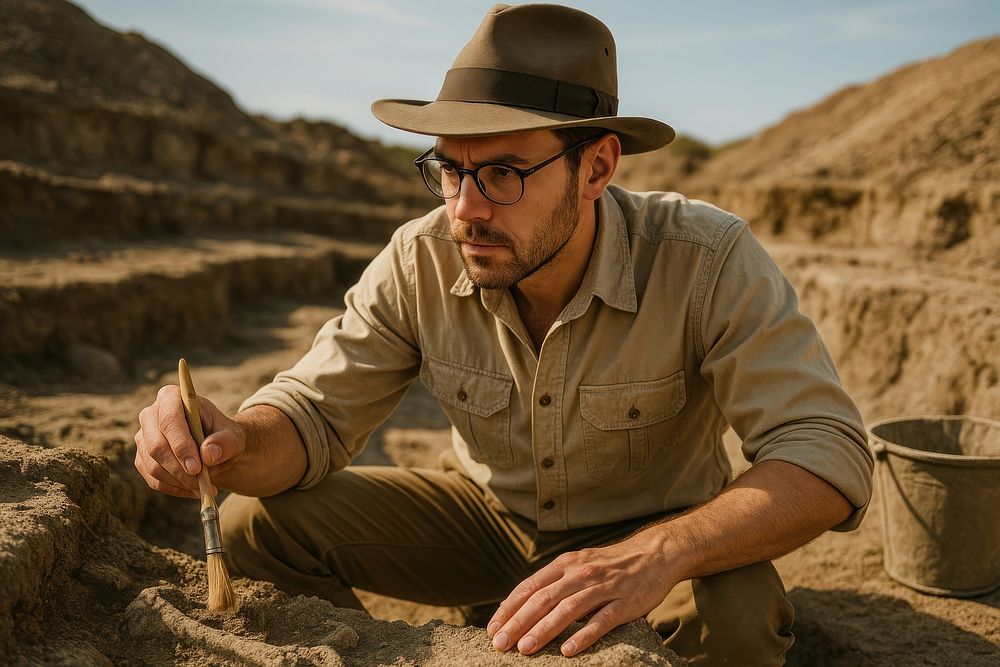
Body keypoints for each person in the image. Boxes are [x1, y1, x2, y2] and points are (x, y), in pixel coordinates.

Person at [133, 4, 873, 664]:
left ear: (597, 167)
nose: (465, 209)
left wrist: (660, 551)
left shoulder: (705, 258)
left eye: (505, 173)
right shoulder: (421, 256)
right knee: (256, 521)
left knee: (739, 620)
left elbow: (827, 450)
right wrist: (231, 439)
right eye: (450, 171)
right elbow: (312, 414)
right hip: (486, 525)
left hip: (658, 534)